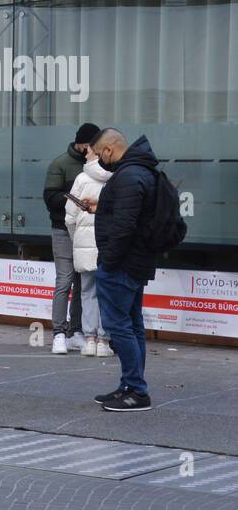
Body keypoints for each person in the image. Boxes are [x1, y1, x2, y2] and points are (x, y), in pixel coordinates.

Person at [89, 128, 160, 412]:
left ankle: (138, 391)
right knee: (132, 325)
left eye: (97, 154)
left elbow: (124, 226)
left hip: (122, 264)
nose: (97, 160)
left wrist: (108, 260)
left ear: (108, 150)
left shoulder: (130, 175)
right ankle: (130, 385)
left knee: (120, 326)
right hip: (133, 262)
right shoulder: (139, 171)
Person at [43, 123, 100, 354]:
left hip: (85, 230)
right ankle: (59, 332)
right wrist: (76, 202)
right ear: (82, 143)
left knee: (82, 280)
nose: (93, 148)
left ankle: (76, 330)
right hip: (62, 229)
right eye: (91, 144)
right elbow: (50, 197)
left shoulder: (95, 166)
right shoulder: (60, 164)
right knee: (64, 280)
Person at [64, 146, 114, 358]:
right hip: (108, 245)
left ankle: (90, 339)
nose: (85, 154)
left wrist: (78, 240)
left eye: (89, 151)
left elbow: (69, 217)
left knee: (87, 292)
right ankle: (104, 340)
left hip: (84, 244)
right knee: (107, 294)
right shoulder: (115, 178)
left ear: (97, 154)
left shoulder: (81, 179)